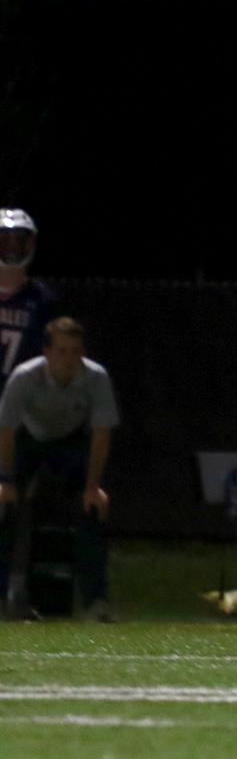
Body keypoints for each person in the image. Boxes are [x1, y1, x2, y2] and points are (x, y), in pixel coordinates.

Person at [0, 318, 117, 620]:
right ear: (47, 352)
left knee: (93, 508)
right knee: (5, 506)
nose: (68, 358)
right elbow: (6, 432)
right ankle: (8, 597)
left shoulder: (96, 377)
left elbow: (101, 434)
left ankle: (96, 602)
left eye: (75, 351)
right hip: (28, 439)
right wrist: (6, 481)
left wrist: (93, 488)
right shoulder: (24, 376)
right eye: (61, 351)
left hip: (70, 442)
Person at [0, 208, 59, 381]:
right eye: (5, 241)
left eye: (19, 241)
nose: (12, 248)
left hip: (22, 401)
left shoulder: (43, 301)